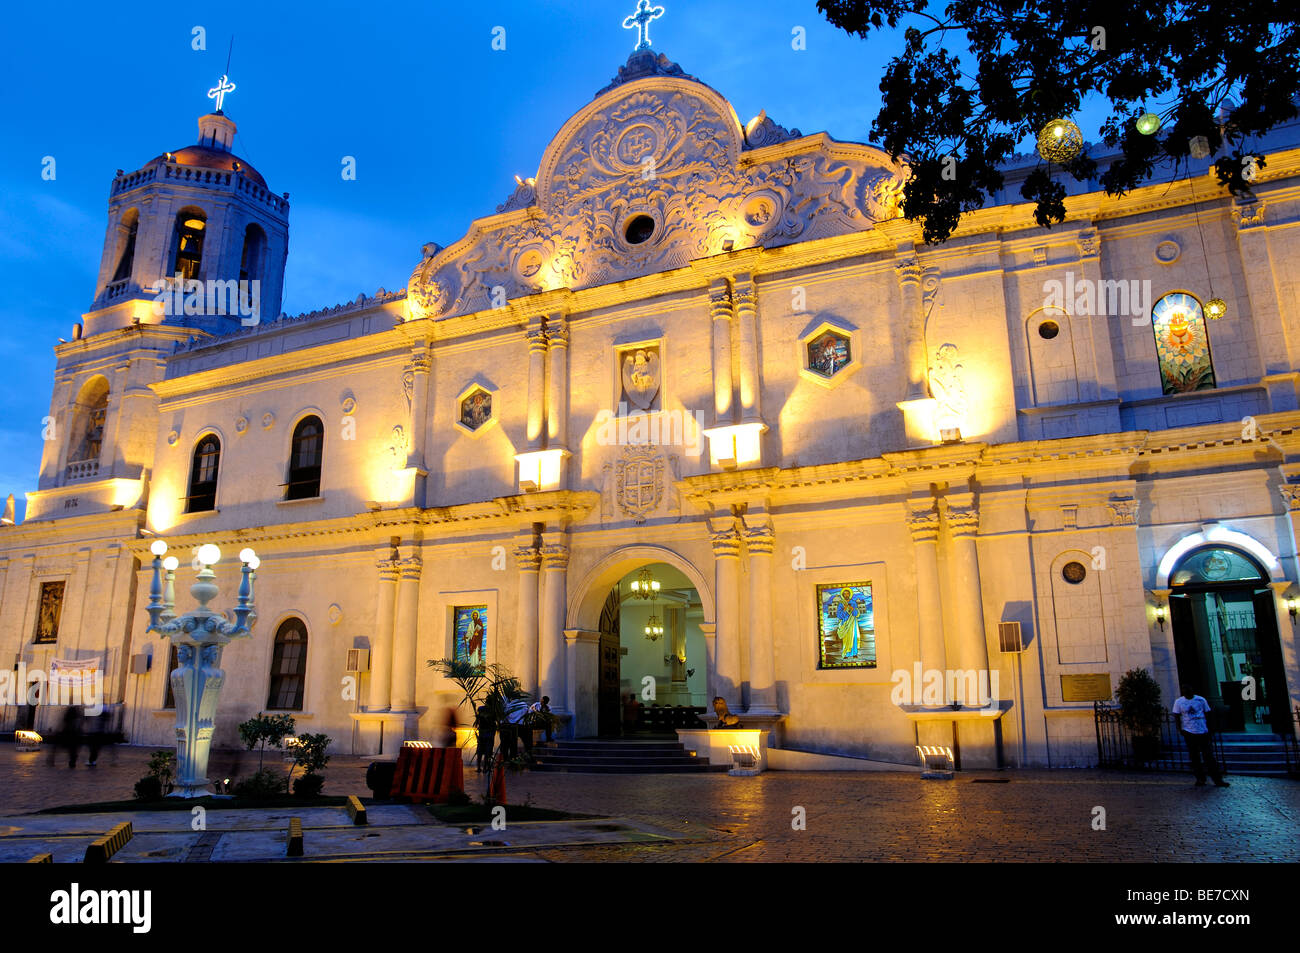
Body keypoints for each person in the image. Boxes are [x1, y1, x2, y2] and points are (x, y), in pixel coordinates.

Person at [1173, 685, 1230, 788]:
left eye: (1188, 690)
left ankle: (1217, 779)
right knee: (1195, 757)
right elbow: (1176, 715)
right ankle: (1200, 778)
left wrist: (1210, 728)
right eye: (1185, 690)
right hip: (1189, 732)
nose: (1187, 691)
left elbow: (1208, 713)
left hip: (1202, 731)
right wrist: (1180, 729)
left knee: (1209, 756)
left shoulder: (1200, 700)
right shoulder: (1179, 702)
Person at [473, 705, 495, 774]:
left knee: (482, 753)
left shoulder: (482, 718)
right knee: (486, 753)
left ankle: (481, 768)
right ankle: (484, 768)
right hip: (487, 737)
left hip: (484, 737)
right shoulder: (490, 719)